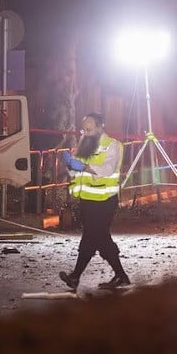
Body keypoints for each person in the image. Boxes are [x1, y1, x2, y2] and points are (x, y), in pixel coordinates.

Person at [59, 112, 129, 291]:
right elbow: (75, 173)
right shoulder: (84, 144)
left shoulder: (112, 145)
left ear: (100, 127)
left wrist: (83, 166)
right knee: (95, 237)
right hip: (88, 200)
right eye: (83, 129)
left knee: (95, 237)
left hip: (105, 200)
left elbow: (107, 169)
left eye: (89, 129)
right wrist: (70, 164)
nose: (85, 133)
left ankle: (79, 276)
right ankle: (119, 276)